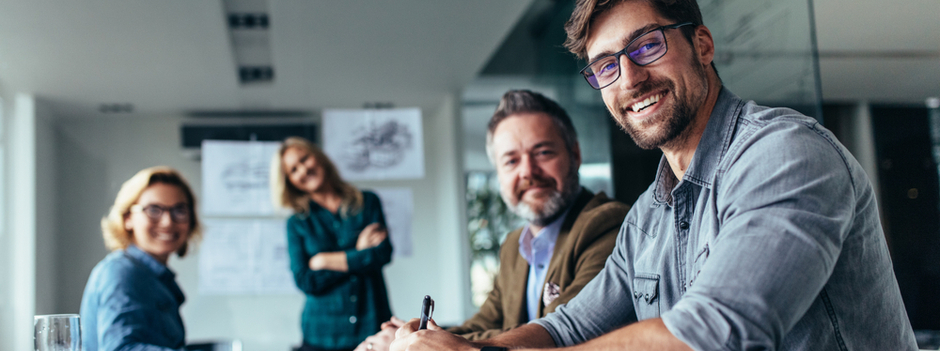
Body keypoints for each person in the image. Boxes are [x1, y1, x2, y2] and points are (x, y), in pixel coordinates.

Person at [390, 0, 918, 350]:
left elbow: (719, 332)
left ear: (703, 46)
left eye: (647, 45)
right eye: (605, 67)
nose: (631, 78)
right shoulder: (649, 215)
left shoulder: (784, 154)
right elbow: (569, 326)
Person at [353, 90, 630, 351]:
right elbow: (486, 323)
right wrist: (420, 335)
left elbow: (561, 331)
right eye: (511, 161)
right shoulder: (514, 245)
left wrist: (424, 341)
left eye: (543, 153)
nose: (528, 172)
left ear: (575, 154)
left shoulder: (606, 224)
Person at [272, 136, 393, 351]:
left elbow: (382, 254)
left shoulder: (367, 202)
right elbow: (305, 280)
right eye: (293, 170)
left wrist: (324, 260)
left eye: (304, 159)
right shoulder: (297, 223)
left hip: (372, 327)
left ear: (318, 157)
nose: (303, 170)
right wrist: (358, 252)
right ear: (289, 181)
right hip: (321, 336)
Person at [80, 166, 202, 351]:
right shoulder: (121, 273)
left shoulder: (154, 279)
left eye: (179, 210)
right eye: (153, 210)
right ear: (128, 217)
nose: (168, 221)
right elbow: (121, 349)